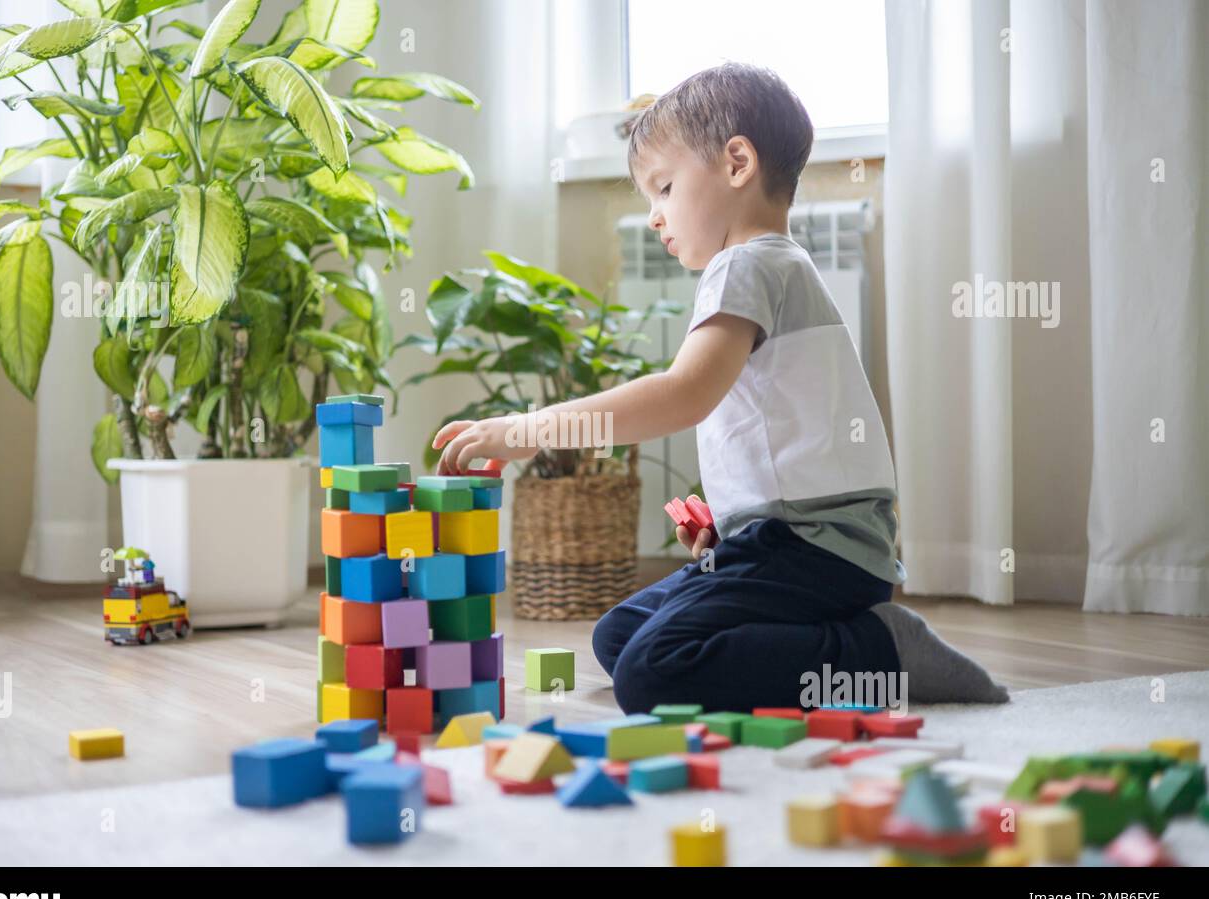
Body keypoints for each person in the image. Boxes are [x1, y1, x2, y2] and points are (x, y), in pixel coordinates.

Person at [432, 63, 1008, 714]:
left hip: (813, 550)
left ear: (737, 163)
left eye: (665, 188)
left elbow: (684, 394)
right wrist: (732, 529)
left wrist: (528, 430)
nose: (654, 217)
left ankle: (876, 654)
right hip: (792, 542)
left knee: (652, 673)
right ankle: (829, 641)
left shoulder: (749, 261)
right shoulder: (770, 267)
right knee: (618, 637)